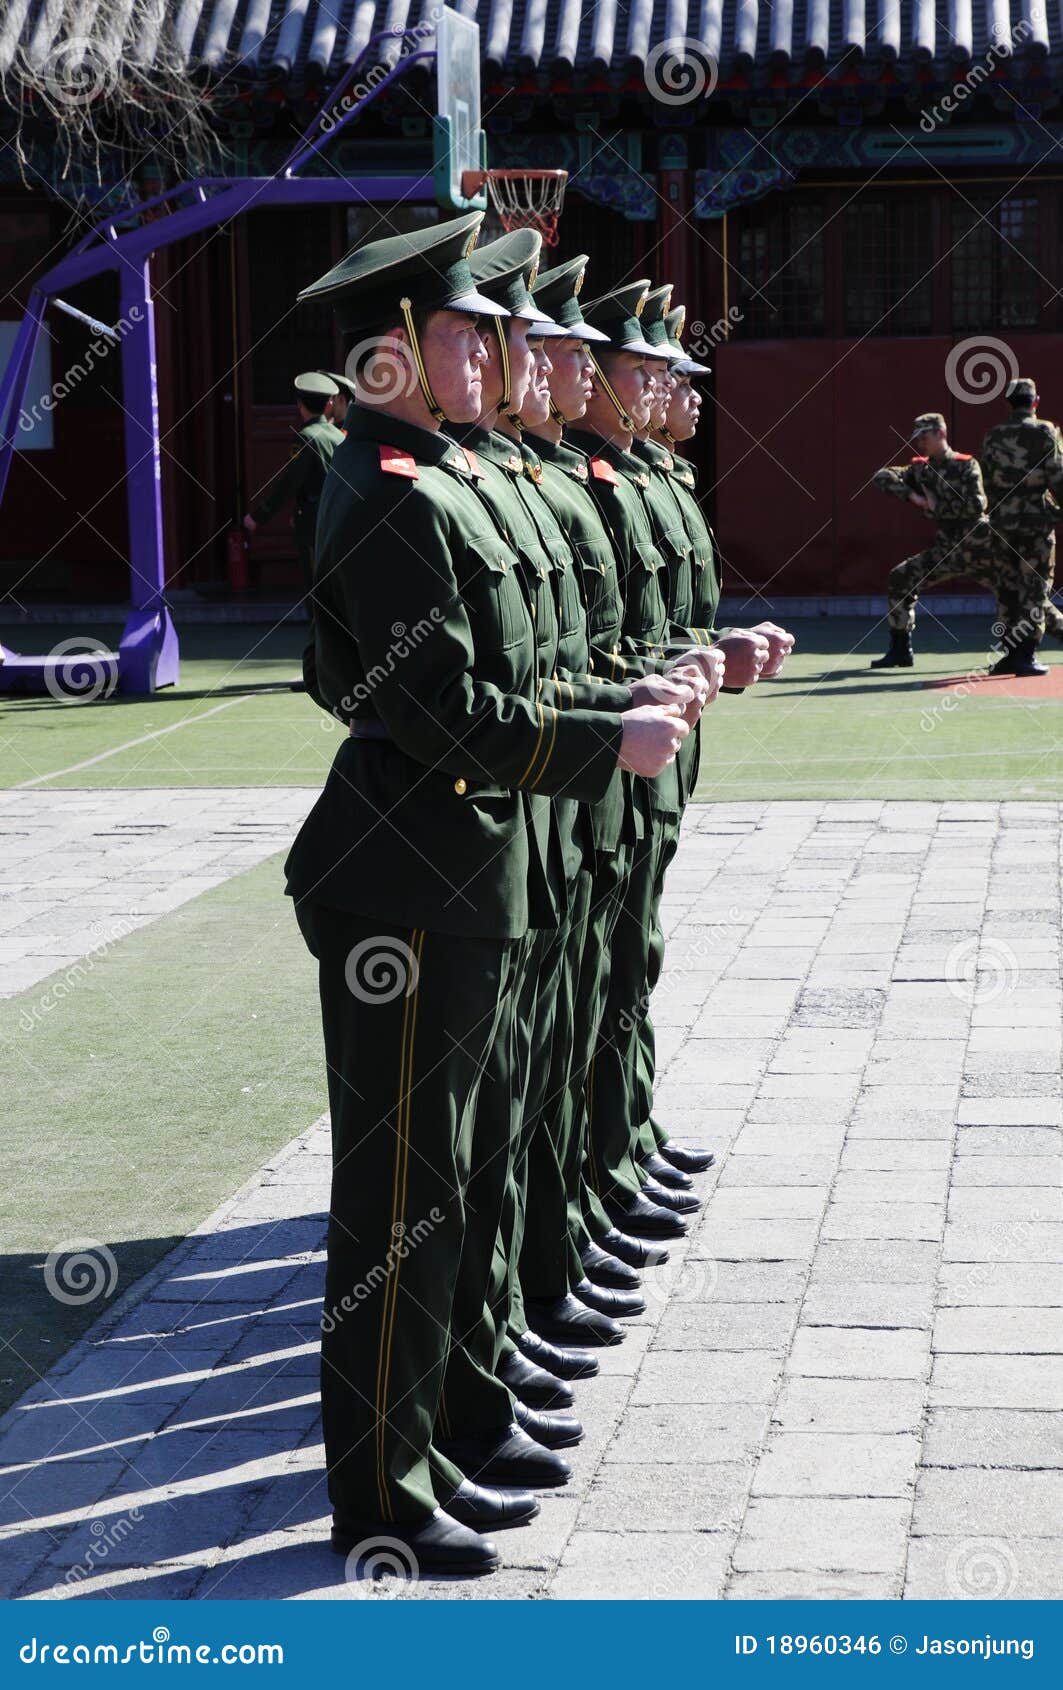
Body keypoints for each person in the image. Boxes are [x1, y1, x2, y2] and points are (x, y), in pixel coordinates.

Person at [284, 211, 688, 1576]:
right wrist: (598, 742)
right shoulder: (385, 484)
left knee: (460, 1170)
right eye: (463, 331)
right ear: (390, 351)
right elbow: (435, 701)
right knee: (403, 1193)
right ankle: (383, 1499)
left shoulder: (440, 475)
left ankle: (452, 1423)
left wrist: (616, 703)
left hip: (469, 862)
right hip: (402, 875)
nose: (494, 352)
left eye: (484, 330)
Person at [870, 412, 1000, 671]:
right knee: (901, 578)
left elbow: (976, 506)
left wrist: (936, 506)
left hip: (979, 549)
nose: (920, 443)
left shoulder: (966, 465)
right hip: (947, 551)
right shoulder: (922, 468)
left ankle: (1021, 651)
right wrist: (914, 497)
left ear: (941, 434)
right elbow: (882, 477)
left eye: (925, 437)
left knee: (1023, 594)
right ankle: (900, 650)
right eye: (917, 438)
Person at [980, 376, 1063, 676]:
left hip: (1002, 524)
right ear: (1035, 402)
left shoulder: (992, 436)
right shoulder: (1046, 431)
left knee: (1007, 587)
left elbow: (985, 482)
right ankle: (1026, 654)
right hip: (1035, 523)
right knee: (1034, 588)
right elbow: (1057, 477)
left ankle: (1010, 652)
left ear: (1008, 404)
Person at [242, 372, 344, 592]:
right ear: (329, 404)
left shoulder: (306, 437)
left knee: (316, 588)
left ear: (299, 404)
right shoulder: (339, 437)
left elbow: (290, 483)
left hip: (313, 521)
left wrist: (259, 515)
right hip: (338, 517)